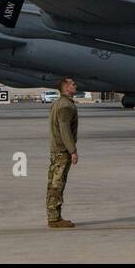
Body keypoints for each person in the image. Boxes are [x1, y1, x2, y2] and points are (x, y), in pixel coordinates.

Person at [46, 77, 79, 229]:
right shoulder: (66, 106)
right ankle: (54, 218)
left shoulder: (57, 103)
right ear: (66, 87)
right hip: (62, 151)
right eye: (73, 84)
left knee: (53, 183)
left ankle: (54, 216)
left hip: (56, 149)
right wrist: (72, 150)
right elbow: (65, 129)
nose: (75, 86)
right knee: (57, 184)